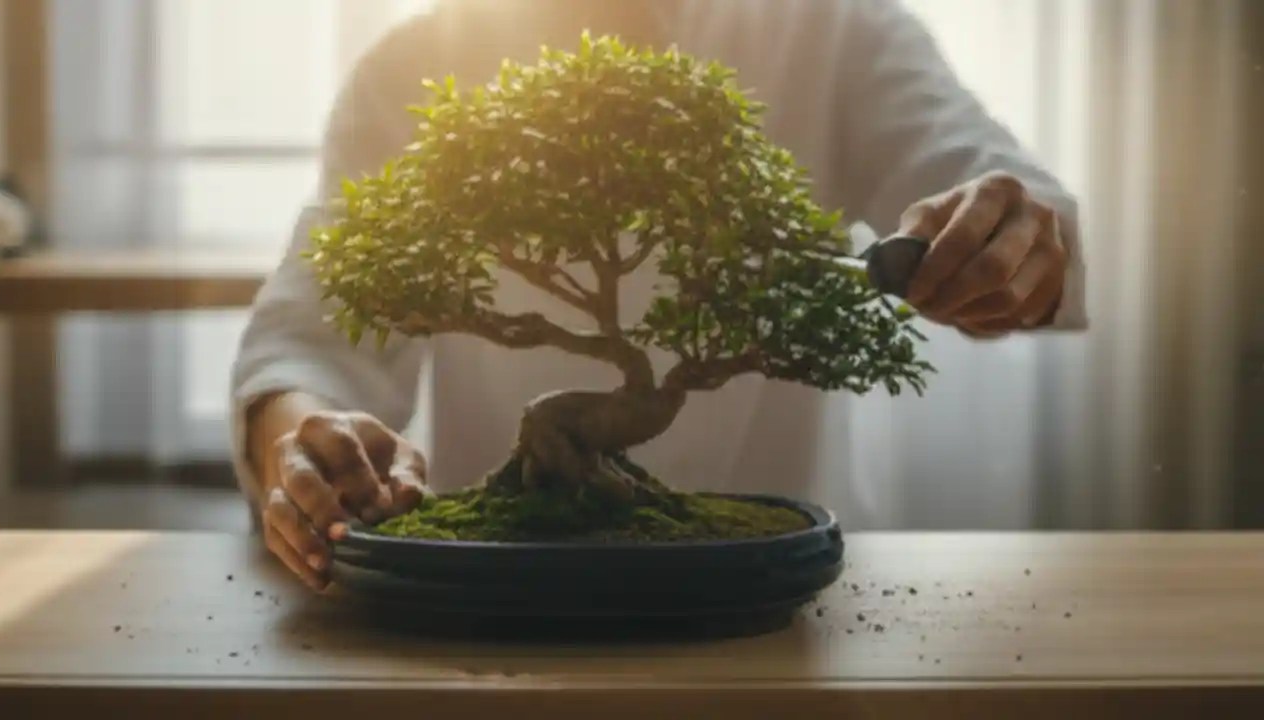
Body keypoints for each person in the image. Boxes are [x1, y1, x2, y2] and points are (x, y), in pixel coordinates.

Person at [231, 0, 1088, 590]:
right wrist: (303, 441)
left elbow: (986, 181)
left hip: (777, 601)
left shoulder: (832, 29)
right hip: (498, 589)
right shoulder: (418, 66)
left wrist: (1007, 239)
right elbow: (314, 334)